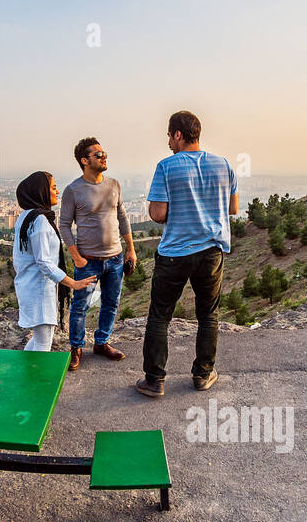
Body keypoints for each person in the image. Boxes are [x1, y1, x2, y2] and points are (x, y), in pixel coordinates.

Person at [135, 110, 237, 398]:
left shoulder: (166, 166)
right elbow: (232, 208)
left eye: (169, 135)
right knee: (208, 315)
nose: (168, 141)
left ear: (178, 134)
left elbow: (158, 213)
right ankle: (203, 375)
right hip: (211, 252)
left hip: (174, 253)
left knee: (159, 317)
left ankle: (155, 380)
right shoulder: (223, 165)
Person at [60, 137, 131, 370]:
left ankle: (102, 343)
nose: (104, 157)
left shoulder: (114, 185)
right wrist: (76, 257)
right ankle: (76, 347)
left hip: (116, 257)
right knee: (81, 305)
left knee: (111, 302)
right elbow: (64, 225)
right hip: (87, 260)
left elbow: (122, 218)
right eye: (98, 154)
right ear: (84, 160)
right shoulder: (73, 190)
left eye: (104, 153)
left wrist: (130, 249)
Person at [11, 171, 96, 353]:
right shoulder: (40, 221)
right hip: (39, 289)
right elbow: (43, 262)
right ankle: (36, 380)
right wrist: (72, 283)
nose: (57, 192)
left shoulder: (26, 217)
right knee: (43, 341)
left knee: (39, 337)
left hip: (29, 286)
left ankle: (24, 374)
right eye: (53, 188)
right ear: (40, 191)